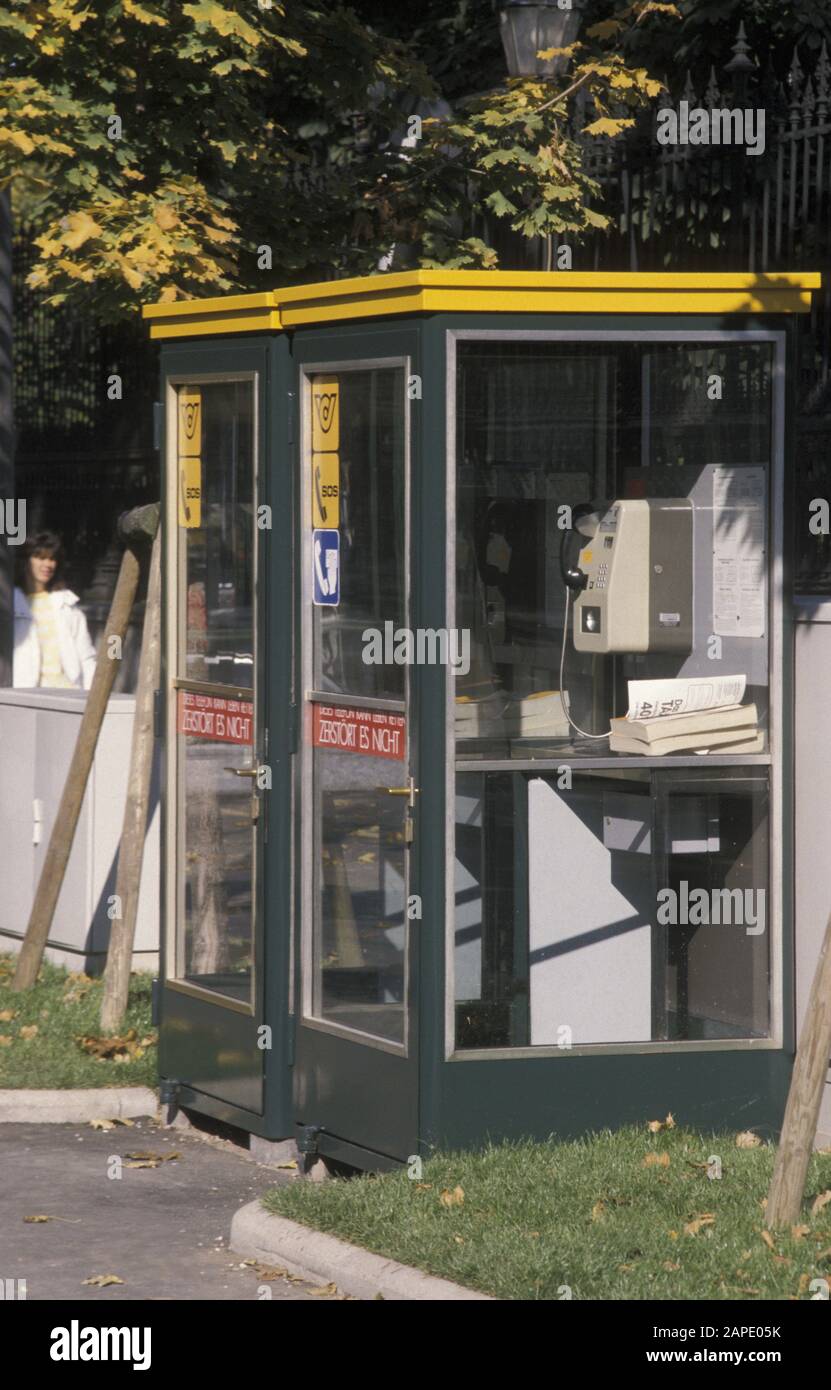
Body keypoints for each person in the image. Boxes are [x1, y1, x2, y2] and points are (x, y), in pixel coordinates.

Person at [13, 531, 97, 690]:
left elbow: (87, 657)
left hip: (67, 692)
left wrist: (90, 696)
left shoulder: (67, 605)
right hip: (24, 695)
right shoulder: (12, 604)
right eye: (41, 557)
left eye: (52, 559)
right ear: (26, 560)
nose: (48, 564)